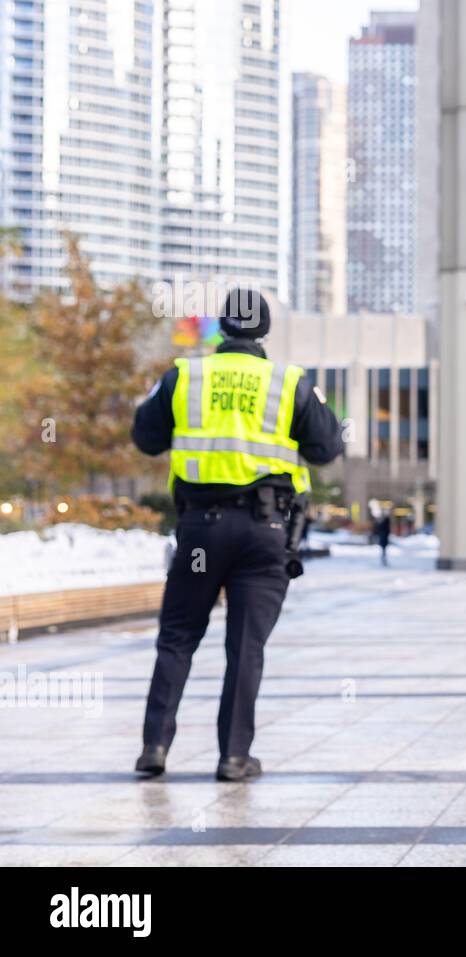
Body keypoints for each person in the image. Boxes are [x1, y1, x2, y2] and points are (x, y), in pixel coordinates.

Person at [131, 288, 343, 782]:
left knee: (178, 637)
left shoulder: (185, 376)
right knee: (245, 647)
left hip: (200, 528)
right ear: (264, 330)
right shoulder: (287, 382)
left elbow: (145, 438)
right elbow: (328, 446)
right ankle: (233, 757)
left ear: (223, 327)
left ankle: (155, 746)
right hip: (264, 530)